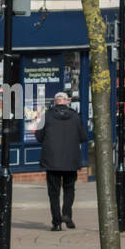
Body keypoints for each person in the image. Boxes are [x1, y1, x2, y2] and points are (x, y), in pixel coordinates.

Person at [35, 91, 89, 230]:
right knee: (69, 189)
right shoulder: (75, 116)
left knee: (54, 193)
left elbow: (39, 137)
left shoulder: (46, 116)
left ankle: (57, 223)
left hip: (52, 161)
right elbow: (84, 137)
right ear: (67, 101)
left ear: (55, 102)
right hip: (71, 160)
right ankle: (66, 214)